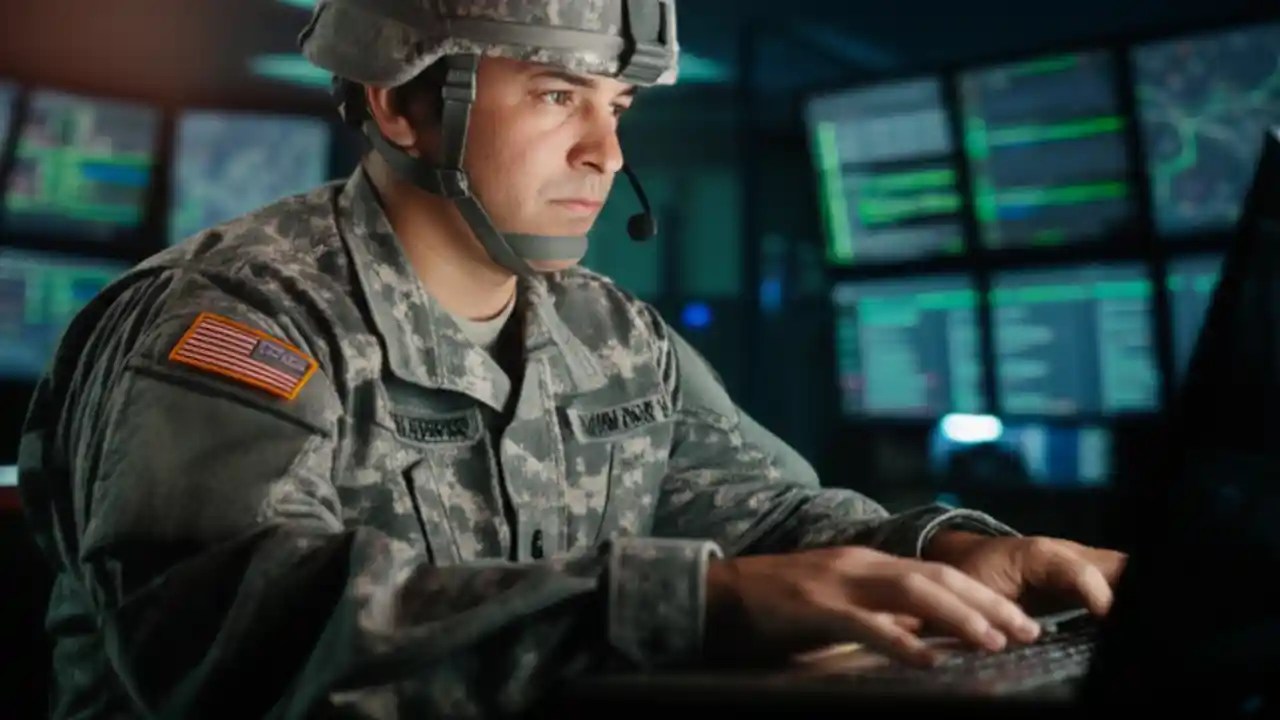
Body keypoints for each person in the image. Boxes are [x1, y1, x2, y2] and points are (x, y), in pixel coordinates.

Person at [15, 0, 1126, 717]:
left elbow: (766, 519)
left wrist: (943, 554)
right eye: (556, 97)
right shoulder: (234, 321)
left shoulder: (606, 331)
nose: (605, 152)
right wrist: (693, 606)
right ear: (406, 104)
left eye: (617, 105)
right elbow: (230, 638)